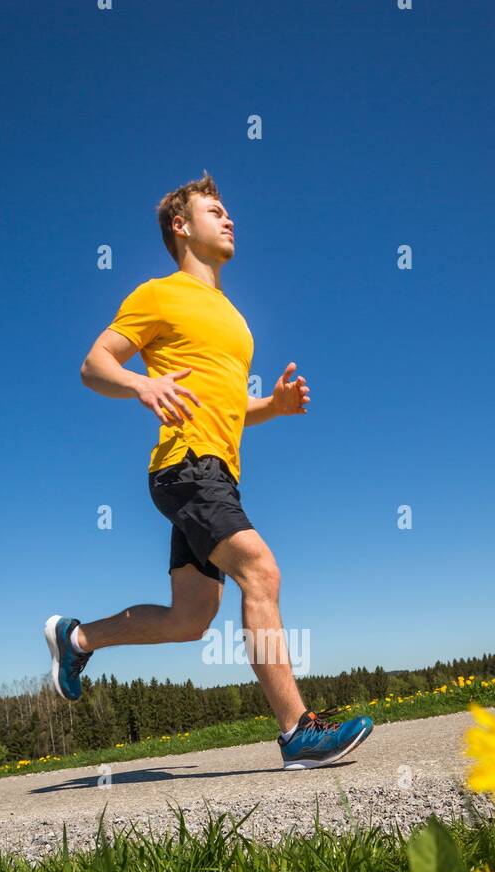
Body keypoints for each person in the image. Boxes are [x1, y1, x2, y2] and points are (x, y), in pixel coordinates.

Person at [45, 172, 372, 770]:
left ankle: (78, 638)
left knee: (191, 618)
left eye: (229, 212)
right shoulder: (159, 294)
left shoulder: (235, 320)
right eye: (214, 210)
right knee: (261, 571)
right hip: (186, 468)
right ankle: (297, 730)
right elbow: (95, 365)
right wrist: (142, 384)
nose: (229, 219)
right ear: (181, 225)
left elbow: (224, 406)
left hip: (215, 470)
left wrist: (272, 406)